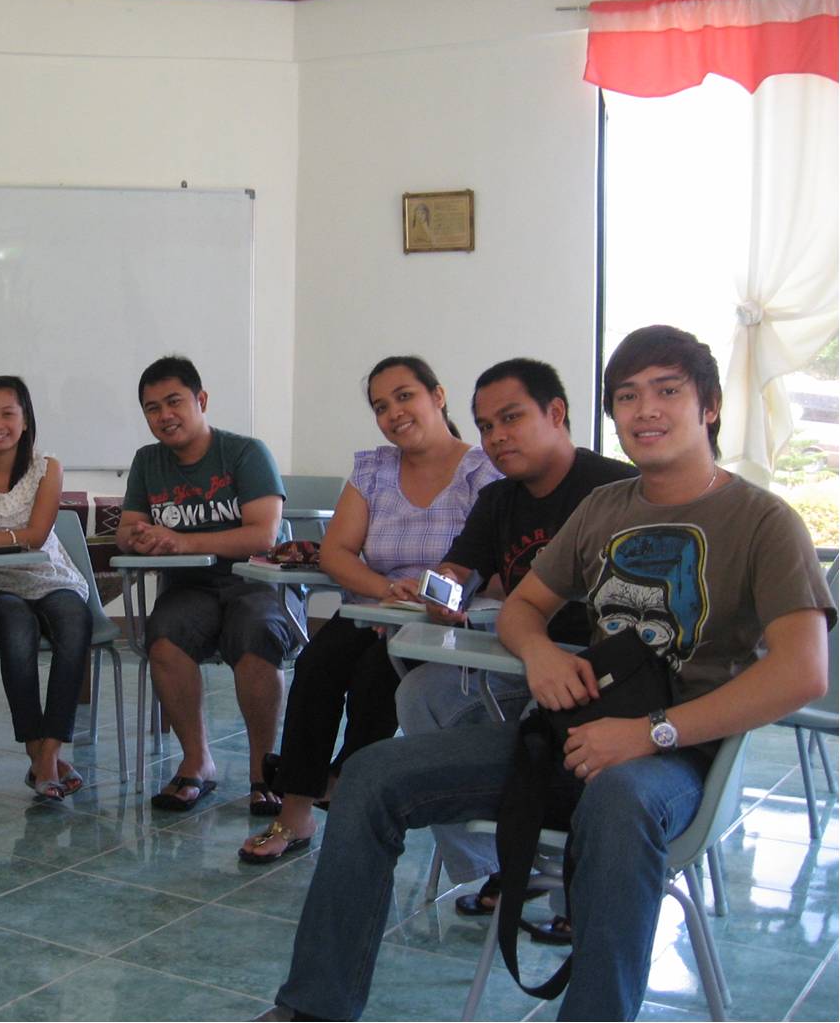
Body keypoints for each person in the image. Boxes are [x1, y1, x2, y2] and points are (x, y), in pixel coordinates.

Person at [262, 326, 833, 1022]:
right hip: (575, 734)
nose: (645, 410)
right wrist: (542, 653)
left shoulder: (764, 521)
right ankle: (314, 1007)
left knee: (619, 798)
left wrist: (650, 733)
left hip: (680, 757)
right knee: (373, 774)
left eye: (667, 391)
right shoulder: (605, 509)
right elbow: (523, 606)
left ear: (710, 406)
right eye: (628, 397)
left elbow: (803, 672)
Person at [394, 358, 636, 935]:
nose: (496, 437)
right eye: (485, 426)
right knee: (420, 694)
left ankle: (576, 886)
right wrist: (442, 590)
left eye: (511, 418)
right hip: (521, 654)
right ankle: (502, 864)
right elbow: (459, 569)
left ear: (556, 413)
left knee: (547, 720)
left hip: (603, 670)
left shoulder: (617, 488)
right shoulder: (499, 499)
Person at [240, 355, 500, 862]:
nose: (393, 413)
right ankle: (295, 812)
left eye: (405, 396)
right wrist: (385, 590)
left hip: (441, 621)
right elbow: (337, 552)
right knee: (316, 665)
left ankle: (350, 788)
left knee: (376, 676)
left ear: (437, 396)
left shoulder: (481, 471)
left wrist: (427, 598)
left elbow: (488, 564)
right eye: (381, 406)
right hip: (374, 606)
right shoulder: (373, 469)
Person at [116, 355, 289, 813]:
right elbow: (127, 529)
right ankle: (197, 762)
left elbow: (263, 535)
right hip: (189, 589)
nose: (164, 415)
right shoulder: (147, 461)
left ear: (202, 400)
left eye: (174, 402)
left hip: (251, 581)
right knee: (164, 638)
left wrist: (181, 539)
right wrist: (139, 538)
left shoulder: (246, 453)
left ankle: (263, 770)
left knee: (257, 636)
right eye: (152, 408)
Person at [0, 376, 93, 800]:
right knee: (17, 627)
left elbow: (37, 535)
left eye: (8, 414)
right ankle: (35, 749)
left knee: (75, 622)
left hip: (48, 575)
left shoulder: (47, 467)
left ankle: (51, 749)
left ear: (25, 420)